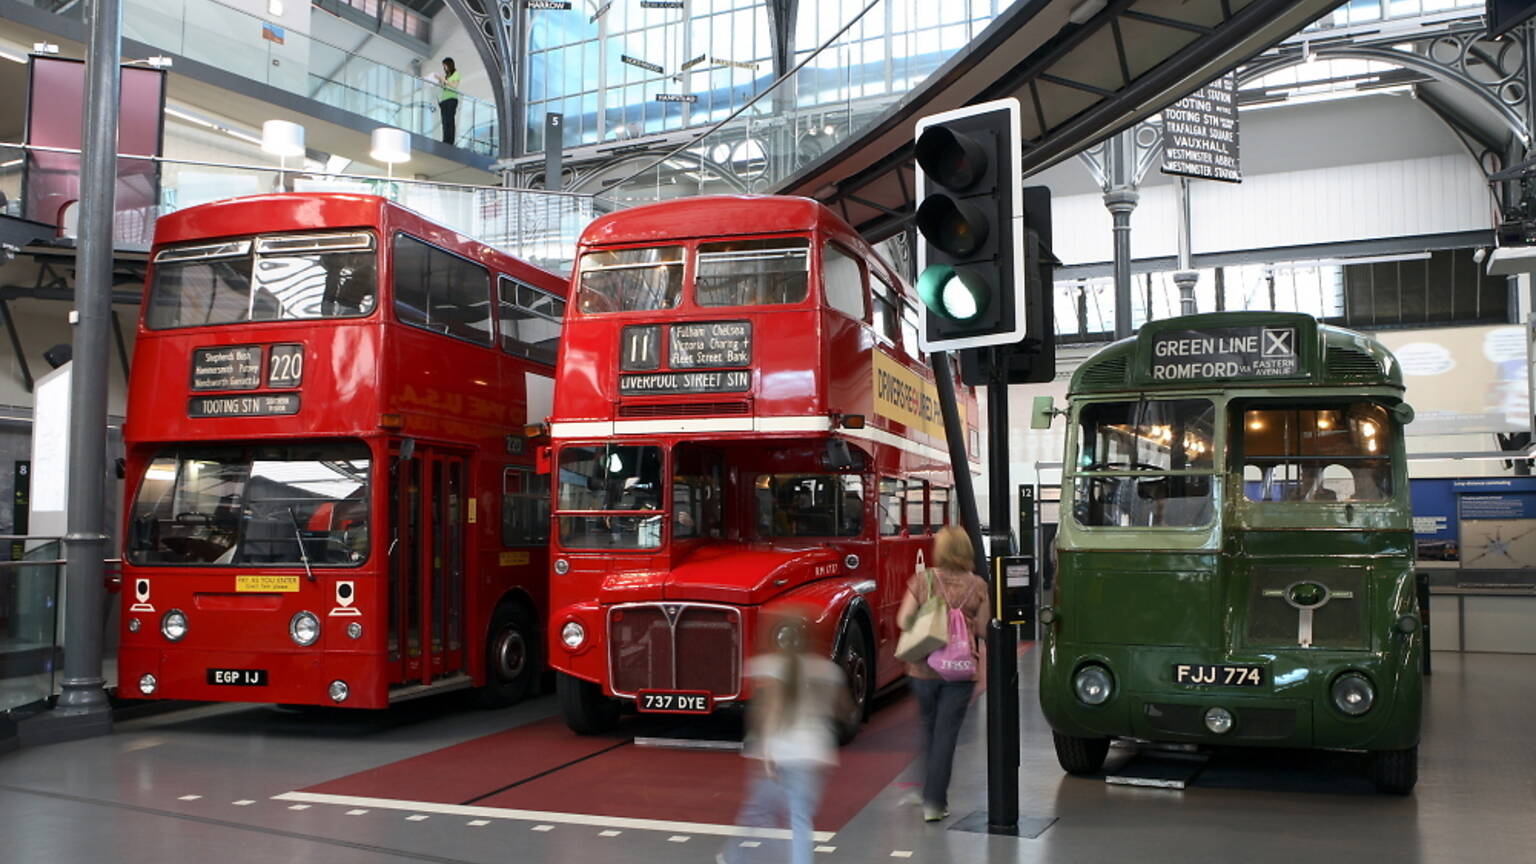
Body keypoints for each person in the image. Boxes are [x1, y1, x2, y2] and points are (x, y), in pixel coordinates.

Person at [720, 609, 848, 864]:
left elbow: (767, 714)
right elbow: (841, 710)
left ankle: (734, 856)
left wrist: (763, 754)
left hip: (778, 753)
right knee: (800, 819)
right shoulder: (826, 671)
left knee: (757, 810)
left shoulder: (767, 668)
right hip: (812, 752)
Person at [897, 525, 989, 822]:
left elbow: (903, 620)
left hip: (923, 669)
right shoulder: (978, 586)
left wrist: (931, 621)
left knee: (928, 728)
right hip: (960, 673)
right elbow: (986, 629)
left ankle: (927, 790)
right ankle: (934, 802)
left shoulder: (923, 580)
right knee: (945, 736)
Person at [435, 58, 461, 145]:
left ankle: (450, 141)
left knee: (450, 120)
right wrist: (440, 82)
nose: (444, 68)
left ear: (449, 64)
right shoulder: (446, 76)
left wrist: (444, 80)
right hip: (444, 100)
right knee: (444, 121)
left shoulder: (456, 73)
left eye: (445, 65)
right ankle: (445, 140)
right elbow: (445, 87)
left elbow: (454, 85)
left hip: (451, 99)